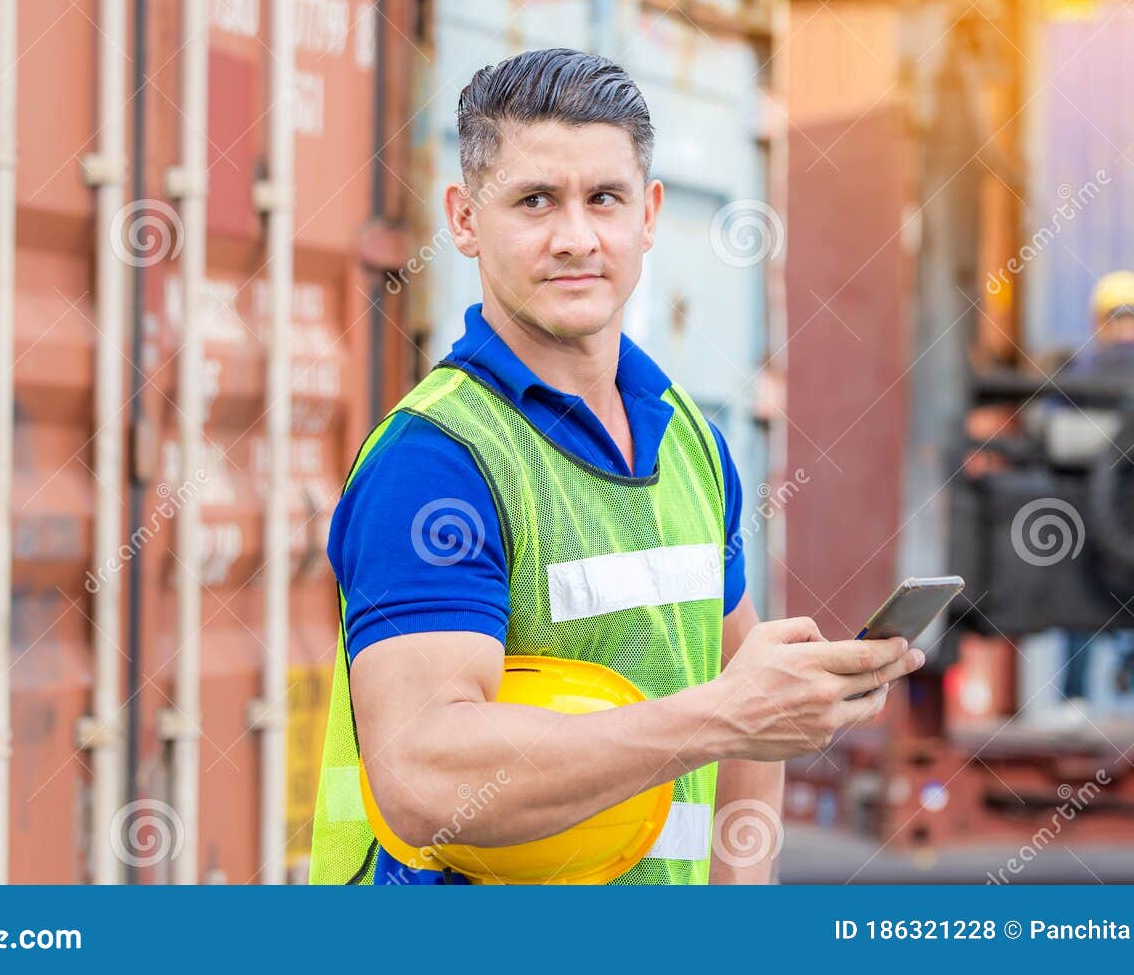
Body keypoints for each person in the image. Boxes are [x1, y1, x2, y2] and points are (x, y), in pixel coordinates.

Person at [308, 49, 923, 885]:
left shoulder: (688, 442)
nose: (576, 238)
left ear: (649, 214)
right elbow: (424, 775)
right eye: (534, 201)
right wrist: (719, 715)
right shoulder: (436, 462)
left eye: (605, 198)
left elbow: (749, 714)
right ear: (462, 218)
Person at [1050, 271, 1134, 734]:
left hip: (1092, 509)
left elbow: (1056, 436)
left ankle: (1075, 698)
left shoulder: (1085, 371)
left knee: (1081, 596)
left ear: (1099, 321)